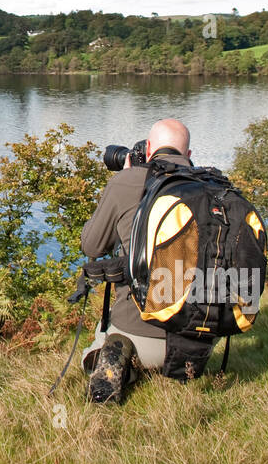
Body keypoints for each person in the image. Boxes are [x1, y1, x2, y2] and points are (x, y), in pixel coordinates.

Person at [79, 117, 193, 401]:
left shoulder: (127, 182)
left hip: (141, 334)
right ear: (188, 155)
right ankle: (178, 366)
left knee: (103, 341)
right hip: (199, 338)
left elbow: (92, 246)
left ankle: (118, 361)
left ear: (150, 148)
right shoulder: (209, 185)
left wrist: (124, 182)